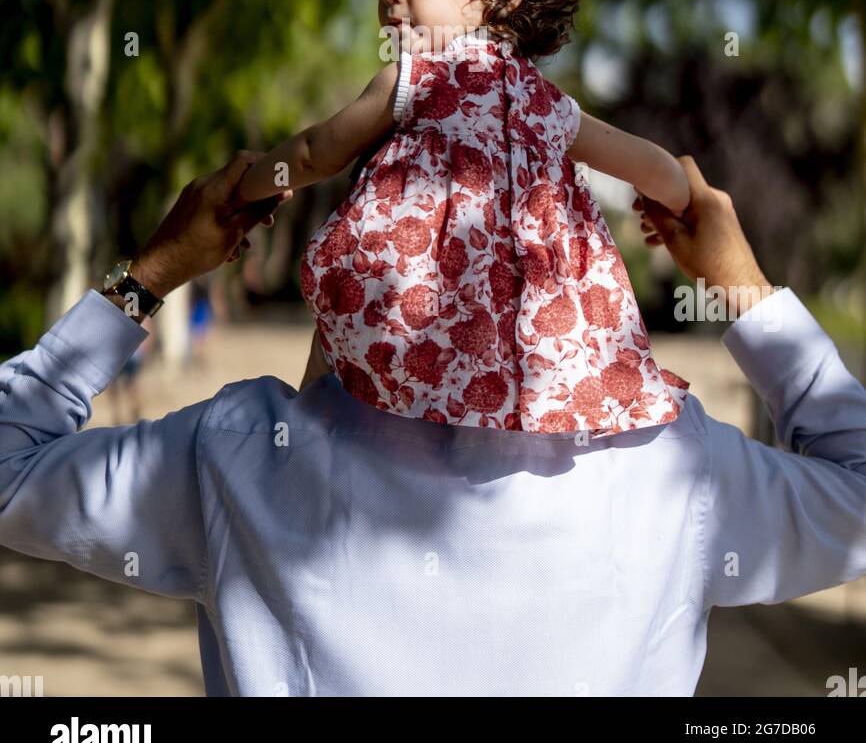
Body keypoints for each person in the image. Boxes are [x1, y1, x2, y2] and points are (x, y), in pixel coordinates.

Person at [1, 152, 865, 697]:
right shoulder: (673, 466)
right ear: (578, 261)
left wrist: (151, 273)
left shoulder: (238, 452)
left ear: (351, 260)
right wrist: (743, 288)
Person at [233, 0, 692, 432]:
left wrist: (250, 184)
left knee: (338, 352)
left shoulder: (413, 77)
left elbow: (315, 152)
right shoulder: (548, 104)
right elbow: (644, 161)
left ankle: (308, 441)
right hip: (518, 339)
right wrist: (675, 201)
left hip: (405, 310)